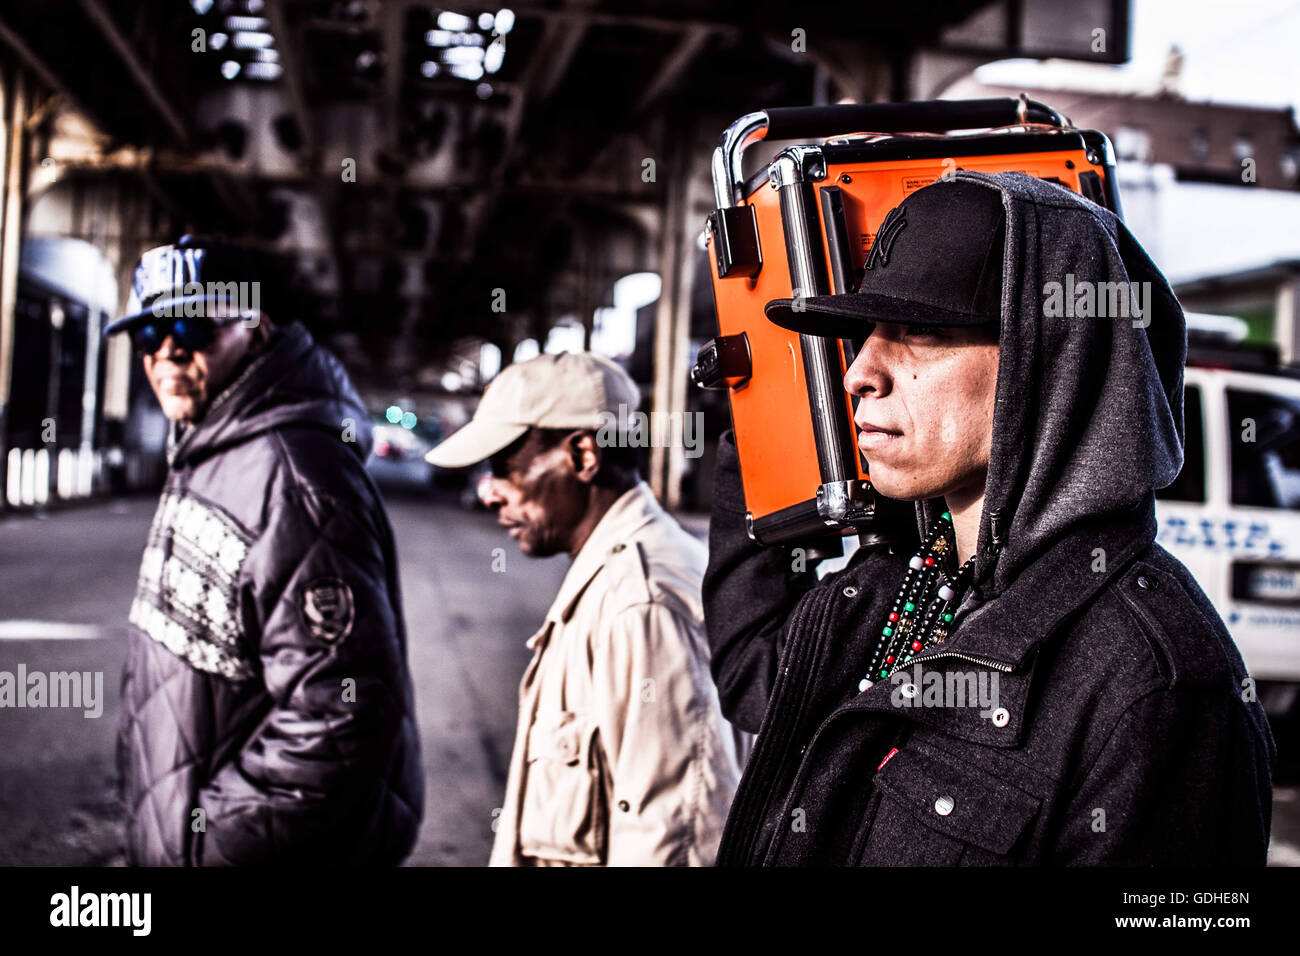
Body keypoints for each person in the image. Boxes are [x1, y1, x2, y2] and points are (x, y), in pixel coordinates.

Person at [704, 172, 1275, 865]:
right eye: (867, 332)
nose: (860, 371)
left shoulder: (1159, 686)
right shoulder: (905, 582)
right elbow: (757, 677)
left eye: (919, 331)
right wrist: (759, 440)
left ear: (1050, 359)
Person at [109, 235, 423, 865]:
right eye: (148, 335)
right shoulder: (214, 443)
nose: (167, 350)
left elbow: (340, 714)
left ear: (253, 326)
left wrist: (210, 844)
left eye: (191, 325)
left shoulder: (293, 475)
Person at [426, 351, 744, 865]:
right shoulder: (613, 575)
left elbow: (676, 843)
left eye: (505, 466)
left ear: (583, 456)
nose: (491, 493)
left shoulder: (642, 603)